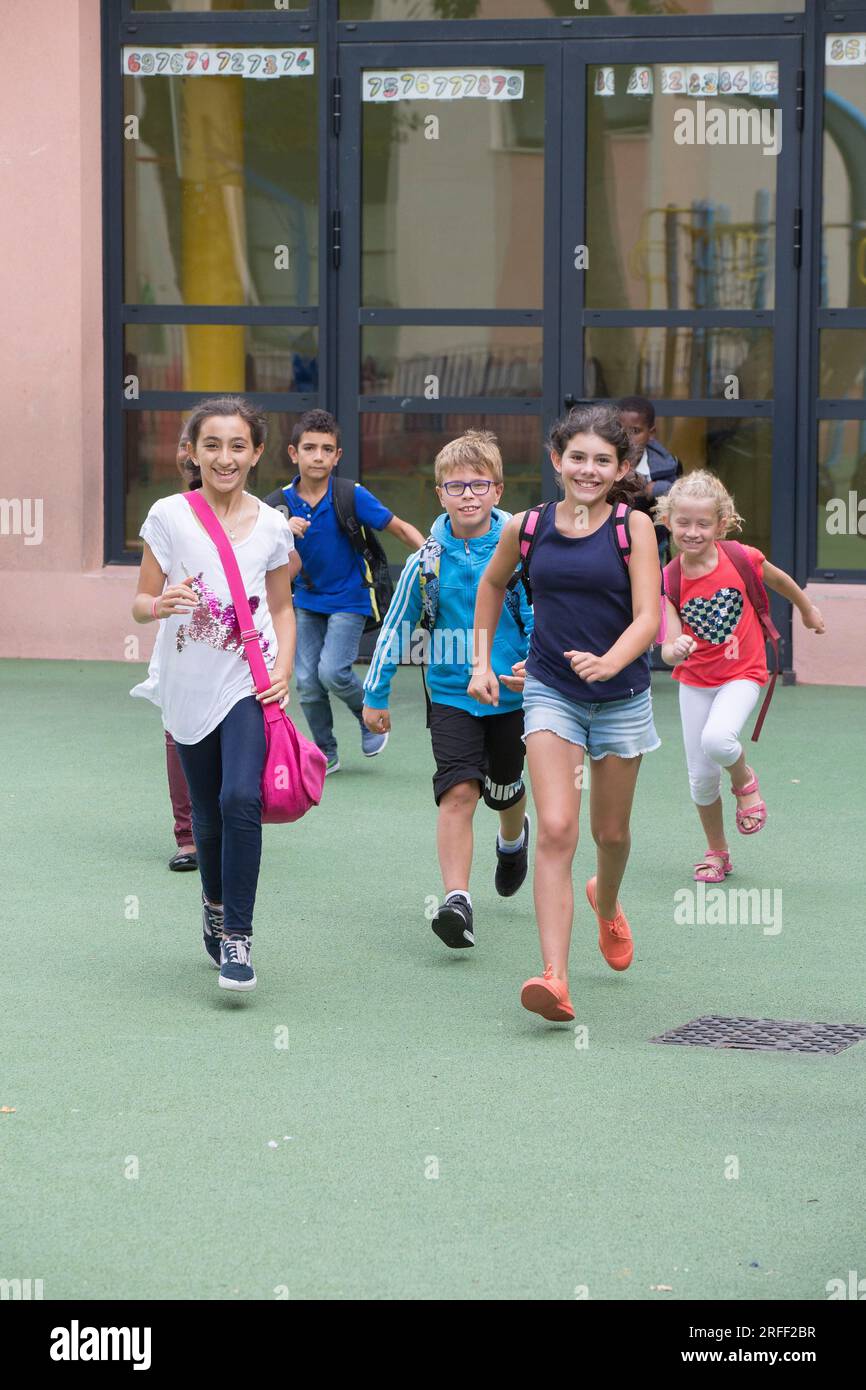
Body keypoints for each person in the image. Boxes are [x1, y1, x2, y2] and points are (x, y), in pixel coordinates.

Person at [469, 404, 661, 1022]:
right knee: (555, 829)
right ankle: (554, 977)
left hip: (622, 698)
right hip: (550, 690)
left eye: (602, 459)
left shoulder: (634, 529)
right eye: (576, 457)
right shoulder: (526, 528)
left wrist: (610, 663)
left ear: (621, 467)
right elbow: (493, 584)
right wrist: (481, 660)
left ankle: (606, 903)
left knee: (611, 834)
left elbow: (649, 617)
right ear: (556, 461)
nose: (587, 469)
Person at [131, 395, 297, 993]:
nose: (224, 458)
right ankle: (214, 900)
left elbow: (282, 604)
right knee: (204, 809)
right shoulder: (169, 515)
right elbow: (140, 600)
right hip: (186, 682)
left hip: (248, 683)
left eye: (237, 446)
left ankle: (239, 938)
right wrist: (160, 604)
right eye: (211, 445)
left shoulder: (273, 524)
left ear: (256, 453)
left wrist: (286, 670)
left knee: (239, 799)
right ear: (192, 453)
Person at [361, 430, 533, 949]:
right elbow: (396, 627)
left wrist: (537, 662)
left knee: (504, 787)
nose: (468, 496)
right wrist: (376, 693)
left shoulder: (524, 553)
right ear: (440, 495)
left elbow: (543, 614)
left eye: (479, 485)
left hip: (516, 695)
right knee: (459, 791)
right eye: (455, 486)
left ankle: (512, 839)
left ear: (498, 491)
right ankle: (457, 900)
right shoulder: (426, 561)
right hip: (452, 693)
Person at [655, 470, 824, 882]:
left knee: (718, 739)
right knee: (700, 780)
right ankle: (718, 853)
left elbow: (781, 580)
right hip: (695, 680)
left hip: (743, 673)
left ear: (721, 524)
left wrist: (806, 609)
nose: (692, 532)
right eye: (683, 523)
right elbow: (666, 640)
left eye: (703, 523)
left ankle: (745, 779)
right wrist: (674, 648)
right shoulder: (669, 578)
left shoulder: (742, 558)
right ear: (668, 522)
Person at [264, 409, 425, 774]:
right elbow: (257, 550)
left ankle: (367, 718)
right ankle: (325, 751)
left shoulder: (350, 494)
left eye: (326, 449)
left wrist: (430, 557)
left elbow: (399, 528)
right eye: (309, 448)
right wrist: (281, 529)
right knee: (305, 680)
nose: (317, 456)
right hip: (304, 601)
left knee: (332, 672)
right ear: (293, 453)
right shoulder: (276, 505)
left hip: (351, 599)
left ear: (337, 456)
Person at [618, 395, 680, 565]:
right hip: (614, 540)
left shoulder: (665, 465)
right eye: (621, 431)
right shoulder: (606, 461)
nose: (627, 438)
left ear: (651, 433)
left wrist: (654, 489)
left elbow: (681, 493)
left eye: (635, 431)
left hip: (655, 541)